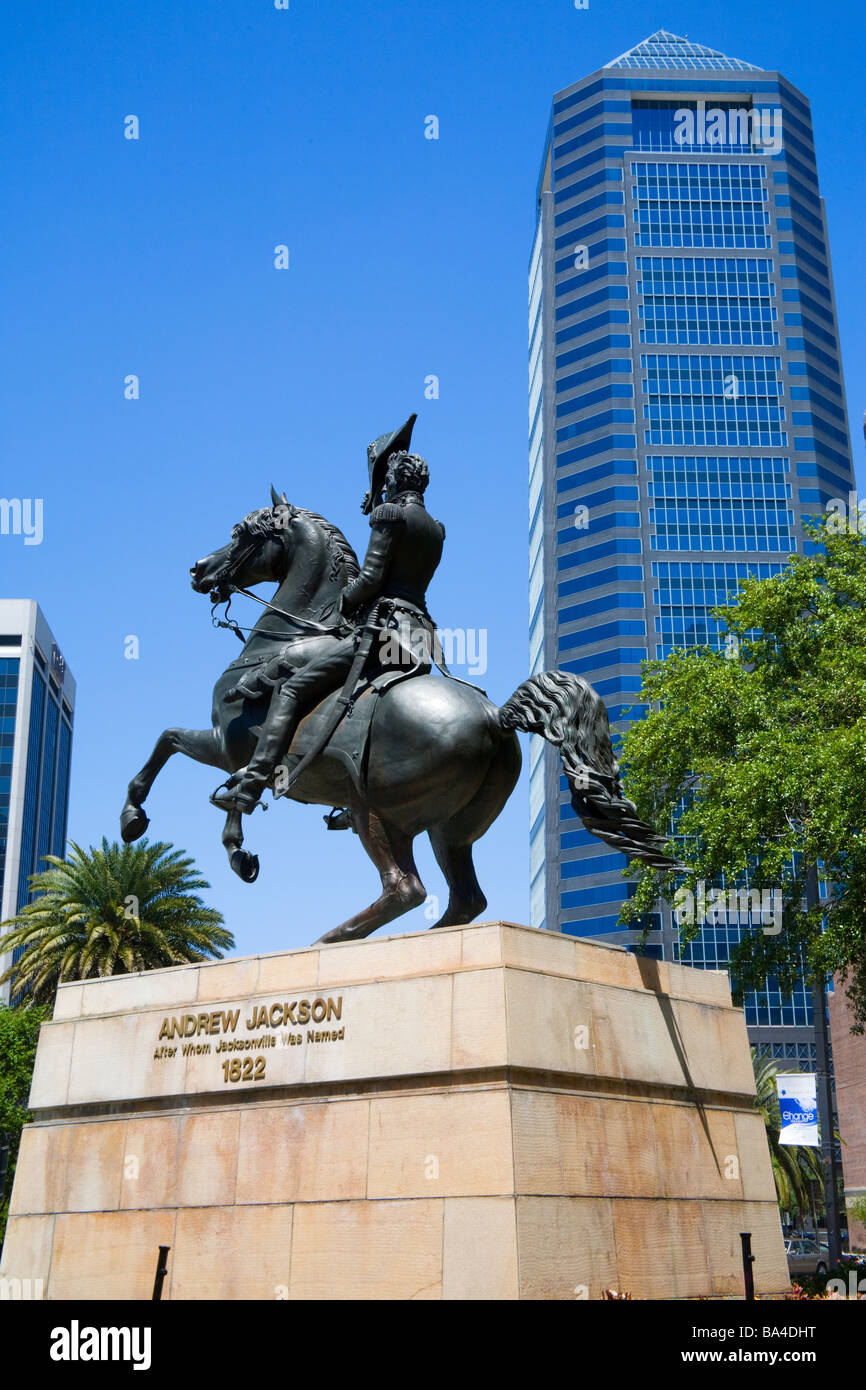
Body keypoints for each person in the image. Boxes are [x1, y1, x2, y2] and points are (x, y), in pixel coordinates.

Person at [211, 419, 445, 815]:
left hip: (384, 633)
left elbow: (370, 579)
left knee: (291, 689)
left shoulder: (389, 515)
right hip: (421, 640)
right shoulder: (436, 529)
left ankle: (251, 785)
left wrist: (342, 604)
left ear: (394, 478)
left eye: (386, 479)